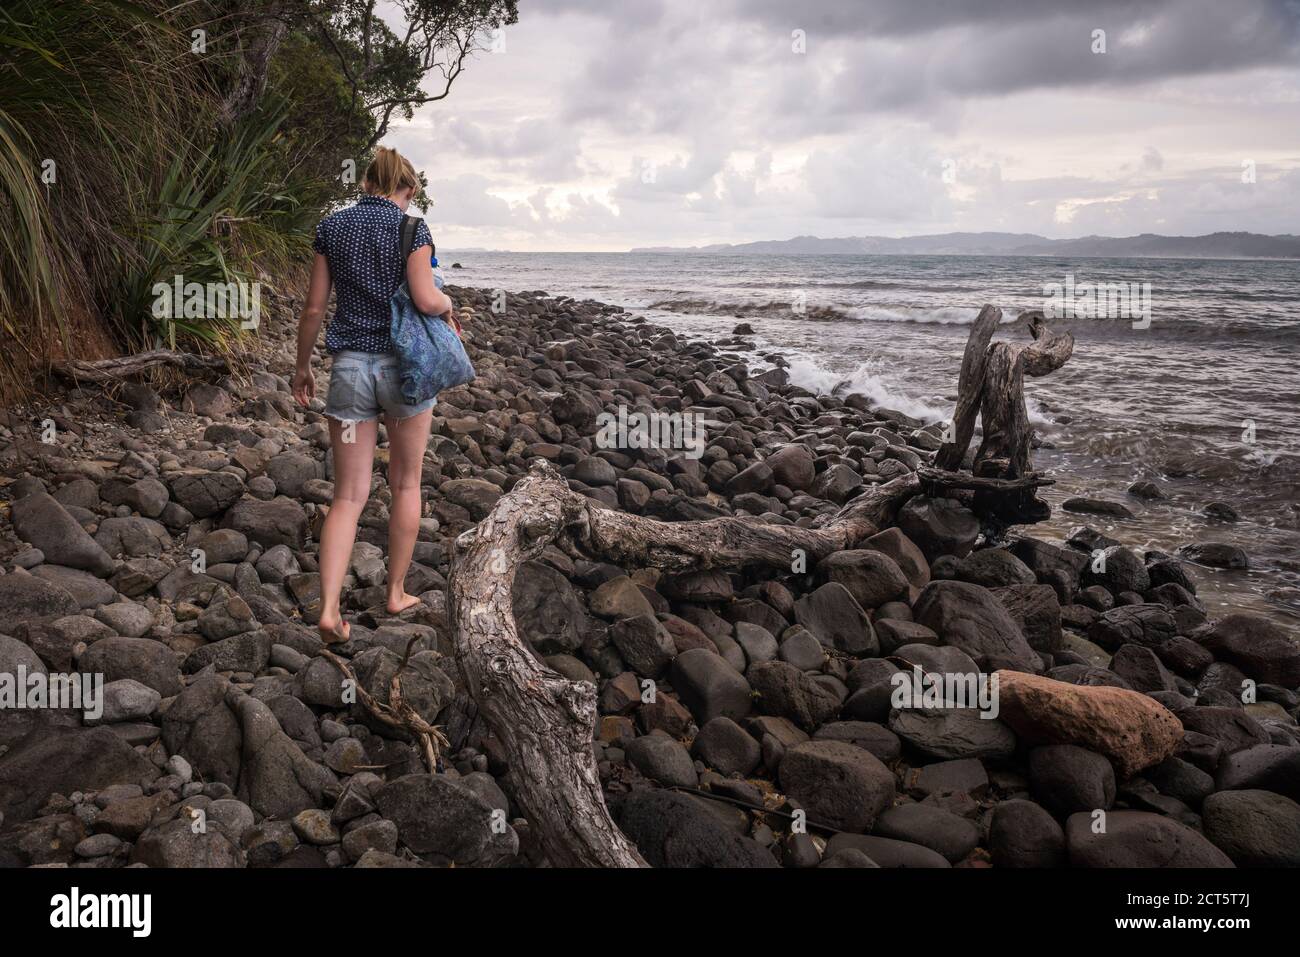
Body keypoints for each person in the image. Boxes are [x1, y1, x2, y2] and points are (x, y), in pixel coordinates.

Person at [291, 147, 455, 643]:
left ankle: (329, 609)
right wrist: (449, 304)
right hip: (405, 371)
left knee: (347, 495)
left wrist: (302, 366)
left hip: (349, 371)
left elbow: (315, 308)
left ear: (366, 182)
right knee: (406, 484)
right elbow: (425, 299)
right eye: (410, 195)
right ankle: (396, 593)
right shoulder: (413, 229)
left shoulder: (332, 227)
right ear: (405, 188)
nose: (409, 203)